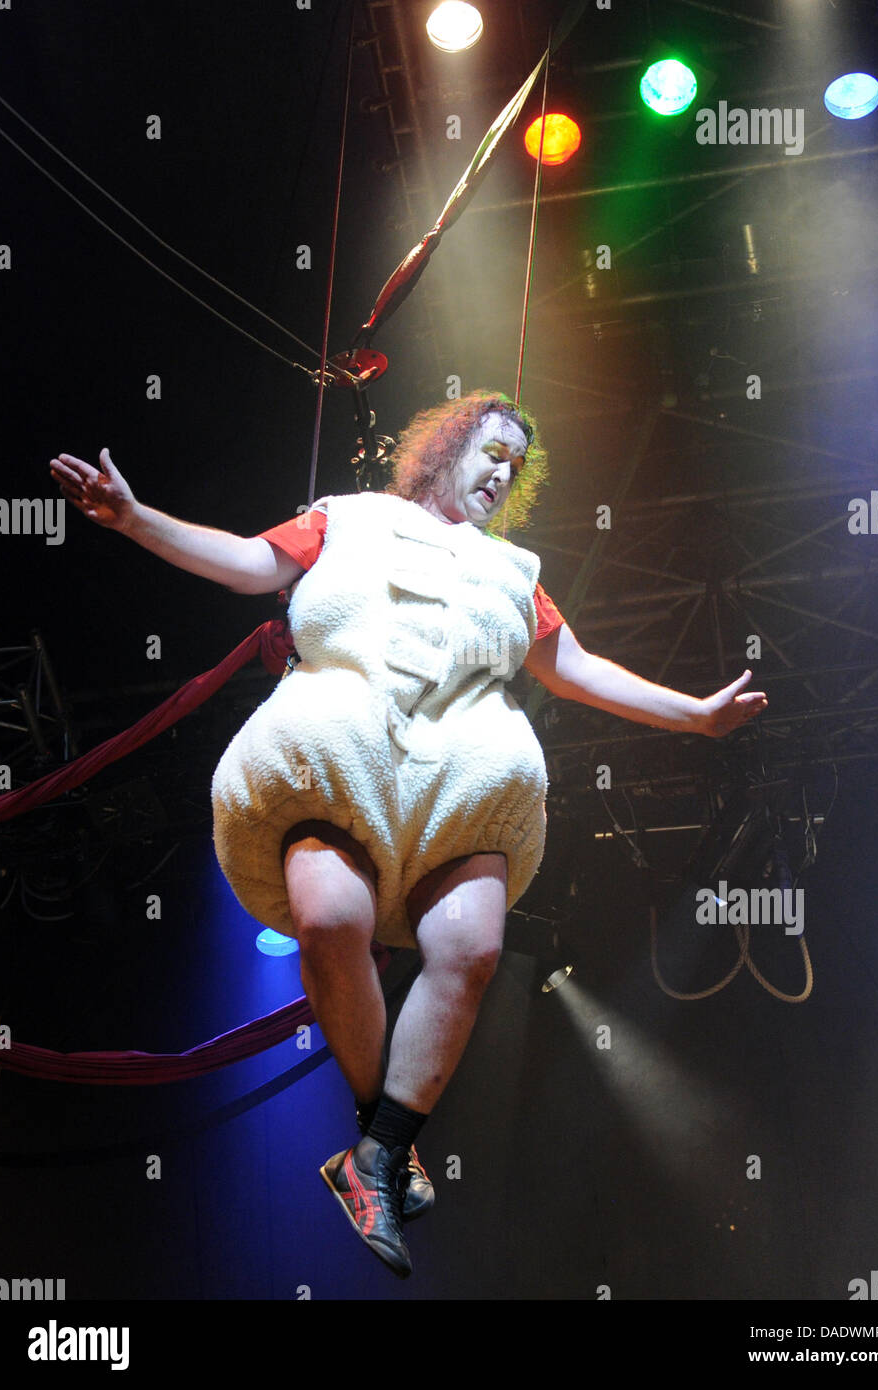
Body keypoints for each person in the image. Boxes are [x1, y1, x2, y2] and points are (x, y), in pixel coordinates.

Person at [49, 390, 767, 1279]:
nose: (502, 473)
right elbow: (247, 563)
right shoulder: (346, 519)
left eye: (516, 465)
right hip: (336, 761)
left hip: (461, 781)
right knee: (328, 922)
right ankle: (380, 1144)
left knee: (469, 949)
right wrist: (132, 518)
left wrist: (692, 716)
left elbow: (573, 669)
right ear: (446, 448)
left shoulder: (514, 572)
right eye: (490, 451)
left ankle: (375, 1158)